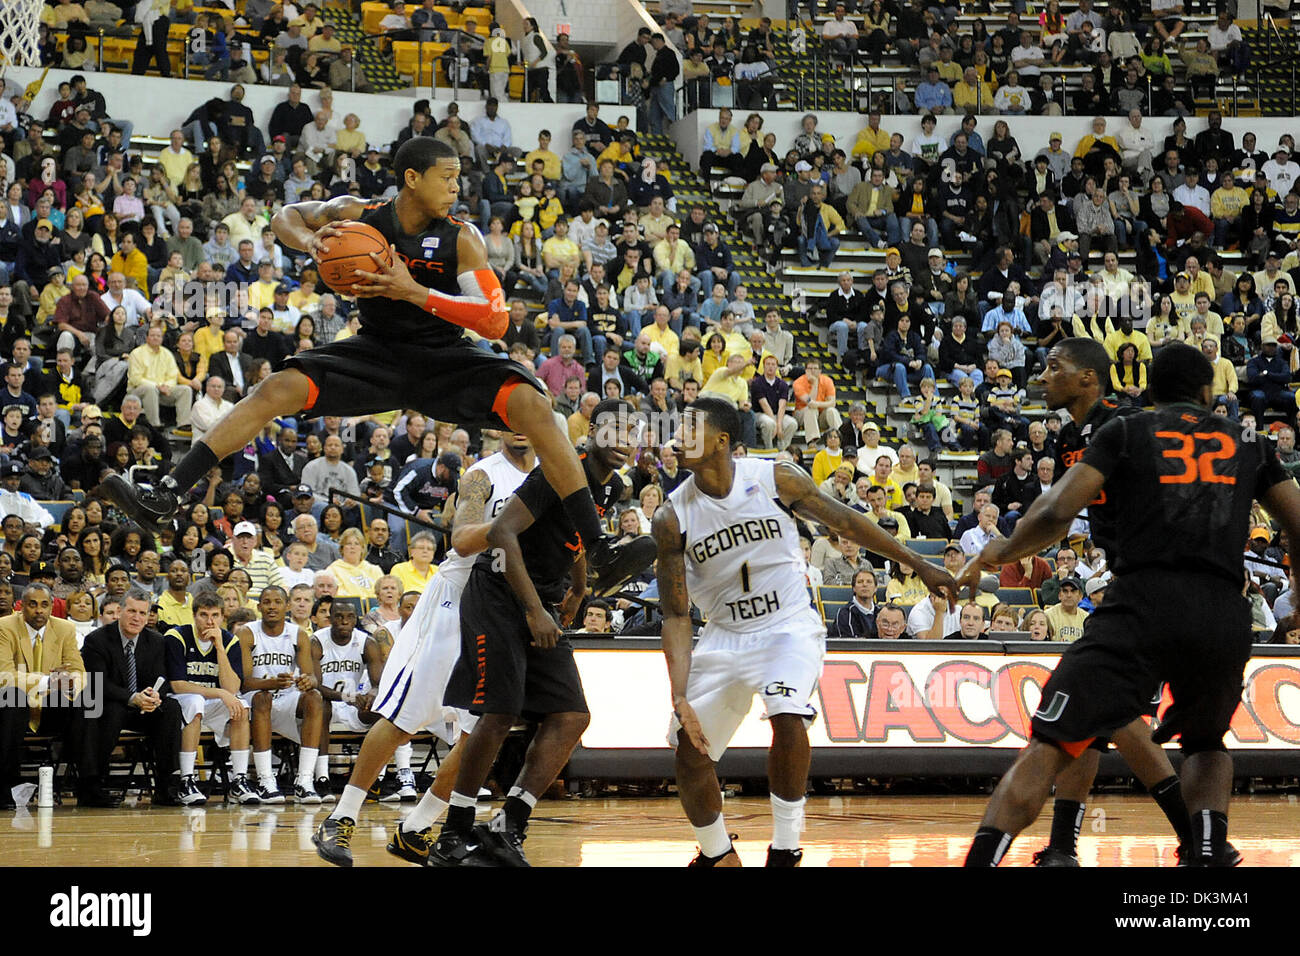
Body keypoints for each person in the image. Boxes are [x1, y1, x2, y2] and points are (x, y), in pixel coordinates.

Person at [100, 138, 647, 597]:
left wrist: (416, 291)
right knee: (276, 388)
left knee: (536, 406)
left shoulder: (463, 238)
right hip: (377, 352)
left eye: (460, 178)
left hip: (445, 355)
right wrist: (311, 241)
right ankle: (167, 493)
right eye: (447, 176)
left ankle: (596, 549)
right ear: (411, 178)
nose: (458, 187)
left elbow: (497, 322)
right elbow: (286, 215)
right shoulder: (361, 216)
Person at [960, 344, 1298, 868]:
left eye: (1056, 368)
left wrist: (999, 551)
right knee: (1205, 743)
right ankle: (1204, 850)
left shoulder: (1124, 428)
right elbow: (1296, 521)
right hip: (1220, 604)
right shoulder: (1249, 439)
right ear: (1209, 392)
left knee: (1053, 737)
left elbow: (1055, 510)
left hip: (1142, 595)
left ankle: (994, 857)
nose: (1045, 377)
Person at [655, 397, 954, 865]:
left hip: (787, 624)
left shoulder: (775, 478)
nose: (677, 436)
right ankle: (717, 855)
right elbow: (675, 615)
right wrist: (678, 694)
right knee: (690, 753)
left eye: (690, 427)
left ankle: (786, 847)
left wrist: (918, 563)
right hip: (723, 632)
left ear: (721, 441)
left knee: (788, 713)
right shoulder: (670, 516)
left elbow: (849, 522)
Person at [429, 400, 652, 867]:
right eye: (616, 428)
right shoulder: (557, 469)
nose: (625, 438)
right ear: (592, 431)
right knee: (498, 712)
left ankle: (509, 823)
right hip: (499, 594)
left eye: (634, 430)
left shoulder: (610, 488)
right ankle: (453, 833)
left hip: (545, 600)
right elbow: (503, 534)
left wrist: (578, 587)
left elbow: (573, 540)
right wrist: (534, 611)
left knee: (572, 715)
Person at [314, 433, 537, 865]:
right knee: (405, 714)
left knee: (481, 731)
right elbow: (460, 537)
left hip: (502, 601)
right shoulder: (482, 474)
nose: (523, 425)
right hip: (457, 594)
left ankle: (416, 827)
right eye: (513, 416)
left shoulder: (550, 475)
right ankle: (340, 818)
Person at [79, 588, 187, 805]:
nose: (137, 618)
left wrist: (155, 695)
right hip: (109, 704)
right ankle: (93, 787)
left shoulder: (156, 641)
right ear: (119, 611)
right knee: (112, 710)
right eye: (131, 611)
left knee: (171, 708)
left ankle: (167, 786)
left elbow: (162, 677)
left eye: (142, 613)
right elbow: (98, 683)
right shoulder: (96, 640)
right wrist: (132, 697)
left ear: (148, 617)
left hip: (142, 707)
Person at [163, 590, 259, 805]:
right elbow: (178, 685)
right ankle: (186, 780)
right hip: (182, 701)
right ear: (194, 615)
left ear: (223, 617)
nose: (209, 621)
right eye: (203, 615)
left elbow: (232, 687)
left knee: (241, 707)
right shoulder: (176, 637)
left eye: (215, 615)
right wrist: (220, 693)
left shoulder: (229, 641)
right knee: (195, 701)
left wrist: (219, 648)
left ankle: (239, 780)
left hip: (214, 702)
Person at [236, 585, 326, 803]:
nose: (272, 607)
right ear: (259, 607)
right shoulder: (247, 633)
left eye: (277, 602)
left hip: (286, 698)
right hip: (254, 699)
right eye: (267, 602)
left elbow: (312, 677)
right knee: (262, 697)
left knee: (314, 697)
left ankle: (304, 780)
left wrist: (307, 681)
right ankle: (266, 780)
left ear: (287, 606)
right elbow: (244, 682)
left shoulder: (298, 634)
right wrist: (270, 683)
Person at [0, 584, 87, 809]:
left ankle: (88, 784)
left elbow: (79, 672)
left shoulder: (65, 629)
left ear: (51, 608)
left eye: (45, 605)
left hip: (50, 709)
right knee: (13, 696)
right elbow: (4, 675)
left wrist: (69, 684)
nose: (39, 610)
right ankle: (4, 786)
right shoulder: (4, 627)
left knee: (84, 700)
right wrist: (48, 681)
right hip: (14, 709)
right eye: (32, 604)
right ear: (21, 606)